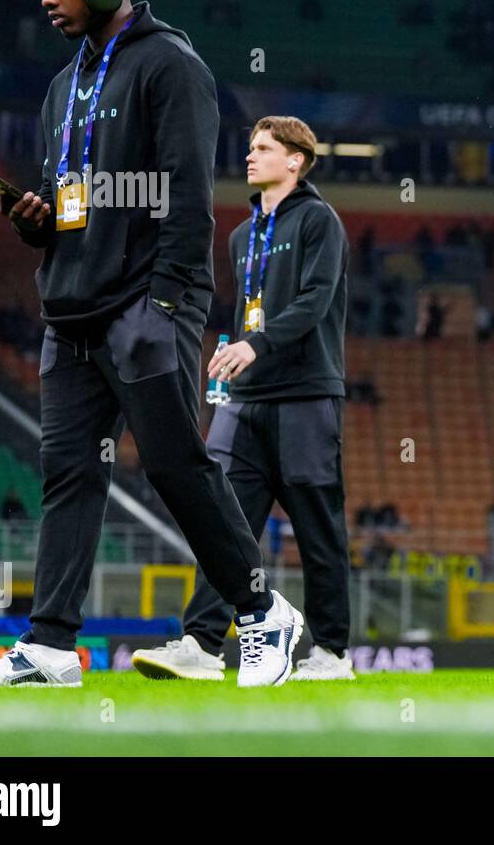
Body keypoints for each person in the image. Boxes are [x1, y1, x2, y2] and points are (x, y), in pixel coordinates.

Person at [0, 0, 301, 689]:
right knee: (69, 474)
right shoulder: (63, 86)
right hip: (71, 310)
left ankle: (263, 614)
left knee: (177, 466)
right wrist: (41, 220)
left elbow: (188, 196)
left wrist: (169, 300)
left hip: (149, 306)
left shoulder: (169, 67)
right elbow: (77, 199)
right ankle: (49, 646)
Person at [133, 116, 354, 682]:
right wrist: (230, 356)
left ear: (295, 160)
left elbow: (315, 302)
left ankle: (330, 652)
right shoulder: (240, 234)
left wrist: (254, 344)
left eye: (263, 148)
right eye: (251, 147)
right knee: (223, 523)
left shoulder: (319, 222)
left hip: (306, 396)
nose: (250, 157)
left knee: (317, 527)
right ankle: (203, 643)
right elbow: (248, 311)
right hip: (246, 400)